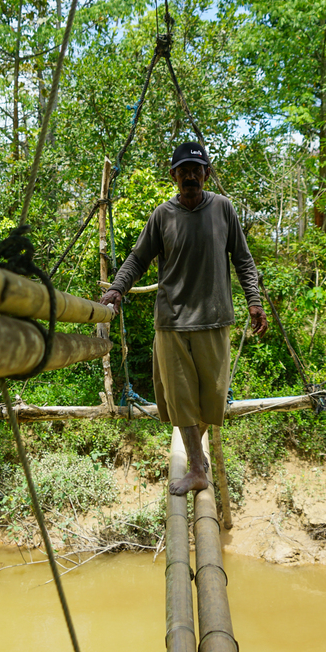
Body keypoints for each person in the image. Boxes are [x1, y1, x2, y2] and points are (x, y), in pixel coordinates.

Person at [99, 142, 267, 495]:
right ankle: (196, 467)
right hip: (172, 321)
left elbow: (244, 260)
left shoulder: (224, 209)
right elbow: (137, 258)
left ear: (206, 173)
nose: (190, 175)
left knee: (213, 400)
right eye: (183, 170)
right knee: (180, 400)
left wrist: (255, 301)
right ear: (173, 175)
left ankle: (197, 460)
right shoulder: (162, 215)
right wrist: (117, 289)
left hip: (214, 319)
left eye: (196, 169)